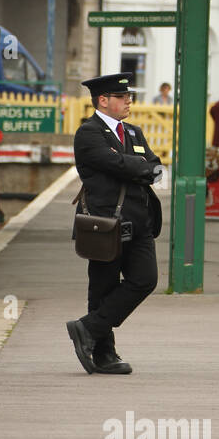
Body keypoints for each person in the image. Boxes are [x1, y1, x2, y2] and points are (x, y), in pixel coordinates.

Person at [66, 73, 163, 376]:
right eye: (122, 98)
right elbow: (118, 165)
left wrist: (140, 167)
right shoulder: (88, 132)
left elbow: (157, 167)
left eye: (128, 97)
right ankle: (105, 353)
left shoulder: (132, 132)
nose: (128, 101)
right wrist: (139, 167)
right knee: (103, 287)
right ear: (103, 100)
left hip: (140, 221)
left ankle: (87, 328)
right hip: (104, 223)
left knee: (145, 279)